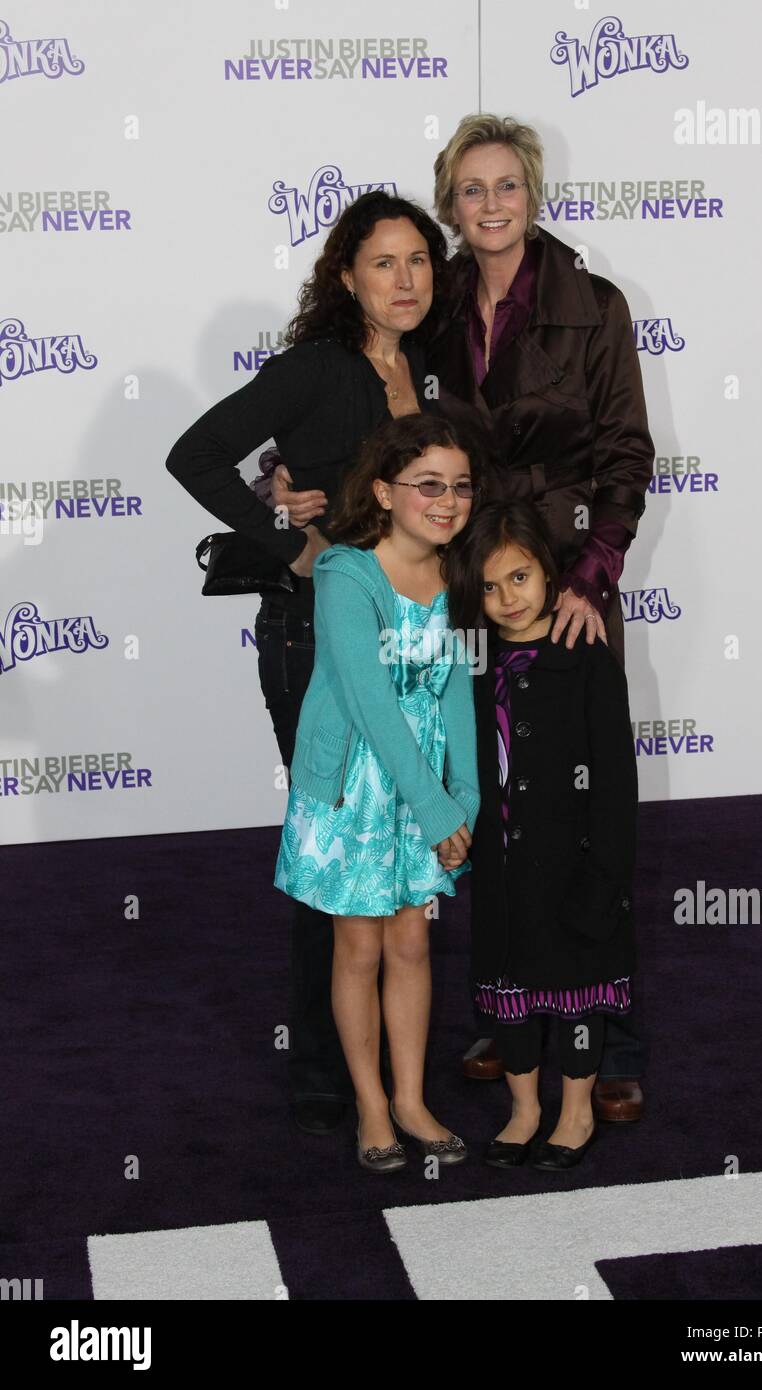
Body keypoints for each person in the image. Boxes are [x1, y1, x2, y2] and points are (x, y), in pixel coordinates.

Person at [165, 192, 451, 1137]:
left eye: (419, 261)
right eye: (384, 263)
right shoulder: (316, 370)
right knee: (331, 849)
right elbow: (195, 453)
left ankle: (399, 1073)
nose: (405, 280)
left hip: (419, 648)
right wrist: (290, 539)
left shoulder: (439, 367)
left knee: (406, 849)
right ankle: (331, 1076)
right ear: (345, 276)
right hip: (315, 644)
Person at [426, 113, 653, 1112]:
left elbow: (623, 453)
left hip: (565, 585)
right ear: (450, 204)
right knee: (495, 803)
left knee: (587, 809)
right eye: (470, 190)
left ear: (533, 193)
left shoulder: (591, 305)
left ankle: (613, 1036)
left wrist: (590, 574)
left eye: (504, 186)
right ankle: (506, 1010)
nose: (489, 205)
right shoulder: (429, 310)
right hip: (472, 585)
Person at [275, 413, 483, 1172]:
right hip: (355, 787)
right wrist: (433, 806)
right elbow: (367, 699)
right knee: (359, 945)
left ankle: (410, 1098)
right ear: (384, 491)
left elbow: (456, 690)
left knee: (412, 940)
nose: (448, 500)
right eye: (429, 484)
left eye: (460, 486)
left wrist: (462, 797)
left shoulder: (459, 570)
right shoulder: (345, 574)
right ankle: (369, 1103)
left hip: (424, 785)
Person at [444, 500, 638, 1169]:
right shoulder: (475, 664)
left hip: (576, 863)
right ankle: (525, 1108)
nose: (507, 599)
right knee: (513, 993)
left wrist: (605, 875)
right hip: (504, 866)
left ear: (551, 574)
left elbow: (615, 781)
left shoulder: (584, 657)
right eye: (491, 588)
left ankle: (577, 1109)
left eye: (520, 578)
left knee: (577, 987)